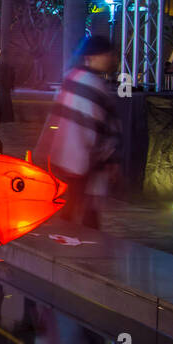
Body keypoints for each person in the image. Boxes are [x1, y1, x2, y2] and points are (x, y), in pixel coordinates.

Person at [33, 35, 121, 229]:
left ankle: (73, 244)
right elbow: (99, 125)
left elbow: (60, 120)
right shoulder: (93, 84)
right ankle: (83, 249)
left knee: (74, 209)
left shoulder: (72, 77)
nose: (111, 59)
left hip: (67, 156)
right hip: (84, 160)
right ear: (94, 56)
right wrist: (108, 157)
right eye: (108, 54)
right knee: (83, 211)